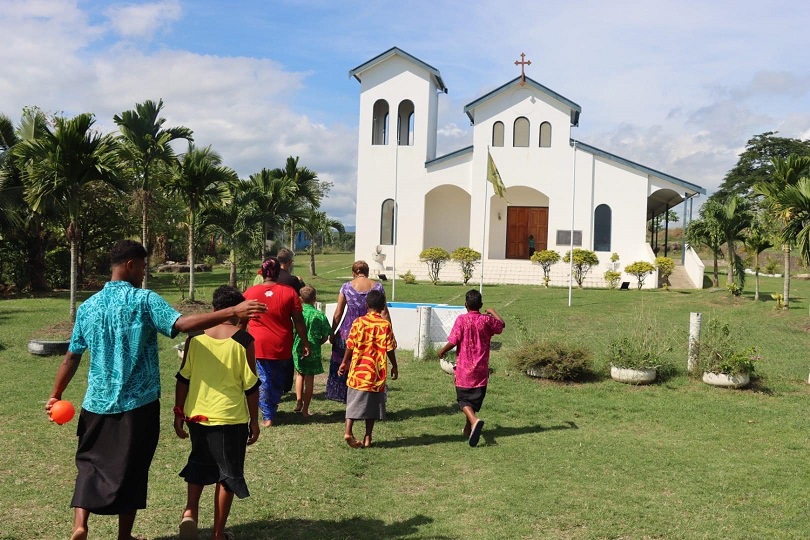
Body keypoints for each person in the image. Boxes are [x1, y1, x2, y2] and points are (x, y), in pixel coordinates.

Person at [45, 239, 266, 540]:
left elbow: (72, 356)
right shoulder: (145, 300)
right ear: (130, 265)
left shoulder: (88, 307)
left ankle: (80, 525)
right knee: (132, 468)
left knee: (89, 463)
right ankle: (124, 536)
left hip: (95, 403)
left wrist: (56, 394)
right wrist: (232, 312)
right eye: (143, 267)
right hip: (138, 404)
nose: (144, 274)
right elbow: (184, 324)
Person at [174, 285, 260, 540]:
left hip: (197, 415)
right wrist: (254, 421)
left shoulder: (195, 336)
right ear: (238, 311)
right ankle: (218, 533)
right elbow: (251, 386)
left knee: (199, 462)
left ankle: (190, 511)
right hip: (230, 418)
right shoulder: (243, 341)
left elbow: (183, 378)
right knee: (228, 474)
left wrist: (179, 412)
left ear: (213, 309)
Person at [243, 257, 310, 427]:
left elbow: (241, 320)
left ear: (262, 273)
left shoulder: (250, 293)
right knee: (274, 379)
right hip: (282, 343)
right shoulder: (289, 292)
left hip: (259, 343)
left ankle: (269, 410)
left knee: (268, 378)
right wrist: (305, 342)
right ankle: (268, 414)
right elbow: (299, 321)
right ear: (278, 273)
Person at [437, 289, 505, 448]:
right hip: (481, 371)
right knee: (473, 402)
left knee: (463, 400)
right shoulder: (486, 320)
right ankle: (469, 429)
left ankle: (474, 421)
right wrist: (493, 312)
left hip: (464, 370)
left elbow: (454, 340)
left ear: (465, 305)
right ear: (480, 305)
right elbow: (501, 325)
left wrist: (442, 351)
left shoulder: (462, 320)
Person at [337, 289, 398, 448]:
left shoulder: (358, 322)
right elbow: (390, 348)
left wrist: (344, 362)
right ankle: (368, 437)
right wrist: (394, 366)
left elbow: (350, 345)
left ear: (366, 305)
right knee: (372, 406)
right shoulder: (385, 325)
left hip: (358, 371)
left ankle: (348, 432)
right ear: (383, 306)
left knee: (352, 402)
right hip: (376, 373)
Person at [326, 260, 389, 403]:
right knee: (368, 365)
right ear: (367, 272)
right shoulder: (377, 287)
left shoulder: (346, 287)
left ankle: (348, 398)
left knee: (345, 365)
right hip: (371, 333)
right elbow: (384, 312)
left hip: (347, 333)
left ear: (354, 273)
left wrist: (332, 332)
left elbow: (338, 313)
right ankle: (367, 399)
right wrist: (387, 332)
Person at [293, 286, 331, 417]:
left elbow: (293, 331)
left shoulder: (297, 313)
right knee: (309, 379)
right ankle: (305, 409)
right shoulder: (320, 315)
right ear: (315, 299)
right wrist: (316, 344)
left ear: (300, 299)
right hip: (313, 349)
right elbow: (326, 335)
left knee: (299, 375)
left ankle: (298, 402)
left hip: (298, 347)